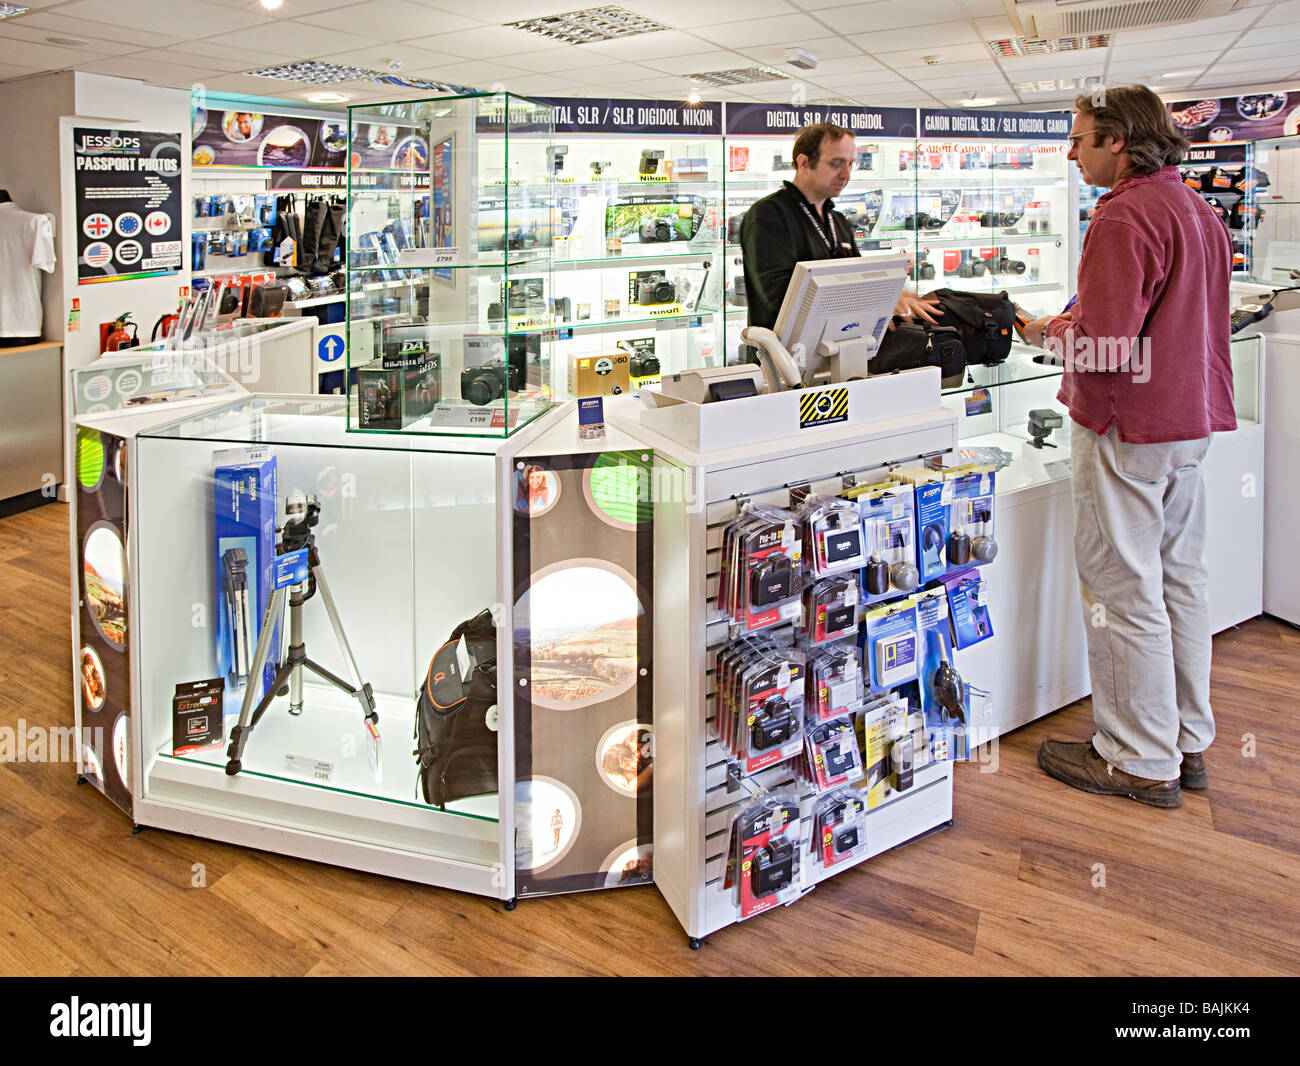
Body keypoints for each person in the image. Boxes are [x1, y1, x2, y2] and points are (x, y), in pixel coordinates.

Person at [1022, 86, 1235, 809]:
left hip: (1128, 425)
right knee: (1181, 582)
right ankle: (1186, 741)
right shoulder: (1196, 209)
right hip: (1187, 423)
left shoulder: (1124, 215)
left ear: (1119, 140)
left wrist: (1042, 332)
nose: (1071, 152)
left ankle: (1136, 758)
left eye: (1080, 138)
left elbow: (1109, 345)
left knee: (1123, 590)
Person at [739, 121, 938, 337]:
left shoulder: (838, 220)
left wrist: (896, 296)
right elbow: (782, 298)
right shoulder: (768, 216)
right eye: (836, 164)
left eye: (850, 164)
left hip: (842, 349)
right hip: (783, 361)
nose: (846, 174)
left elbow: (860, 278)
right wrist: (873, 299)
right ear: (804, 162)